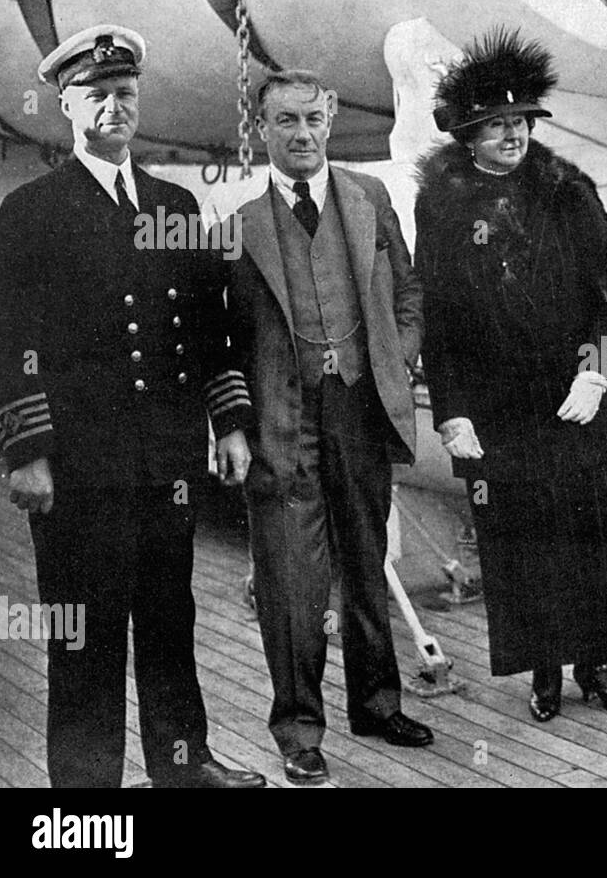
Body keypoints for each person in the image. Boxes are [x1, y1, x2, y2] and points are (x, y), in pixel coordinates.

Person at [0, 25, 265, 787]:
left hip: (166, 461)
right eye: (97, 95)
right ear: (67, 105)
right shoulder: (32, 213)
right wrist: (28, 454)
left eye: (125, 94)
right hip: (77, 471)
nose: (114, 107)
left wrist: (230, 422)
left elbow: (209, 326)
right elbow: (6, 343)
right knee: (83, 638)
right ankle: (85, 794)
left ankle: (184, 765)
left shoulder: (174, 205)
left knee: (171, 622)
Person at [415, 29, 607, 723]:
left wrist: (595, 376)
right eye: (494, 126)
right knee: (519, 542)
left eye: (519, 122)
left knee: (588, 534)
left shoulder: (568, 190)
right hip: (496, 407)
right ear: (467, 133)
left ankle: (594, 663)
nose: (511, 136)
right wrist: (452, 412)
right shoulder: (442, 204)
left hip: (576, 396)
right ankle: (543, 671)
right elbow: (438, 316)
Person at [218, 69, 433, 785]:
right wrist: (236, 426)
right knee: (292, 585)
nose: (302, 134)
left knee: (367, 566)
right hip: (284, 420)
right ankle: (299, 729)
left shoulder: (371, 199)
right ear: (263, 128)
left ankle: (377, 705)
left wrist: (394, 362)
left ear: (331, 118)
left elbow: (408, 292)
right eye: (286, 121)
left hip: (361, 409)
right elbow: (221, 342)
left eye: (313, 118)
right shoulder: (238, 227)